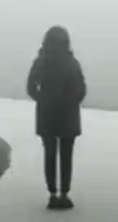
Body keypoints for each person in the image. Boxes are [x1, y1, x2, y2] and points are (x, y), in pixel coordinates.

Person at [26, 24, 87, 210]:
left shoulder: (41, 62)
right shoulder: (72, 63)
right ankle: (64, 194)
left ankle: (52, 194)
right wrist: (70, 103)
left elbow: (30, 87)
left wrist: (43, 100)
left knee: (50, 154)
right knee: (66, 155)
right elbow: (81, 89)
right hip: (68, 115)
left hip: (47, 115)